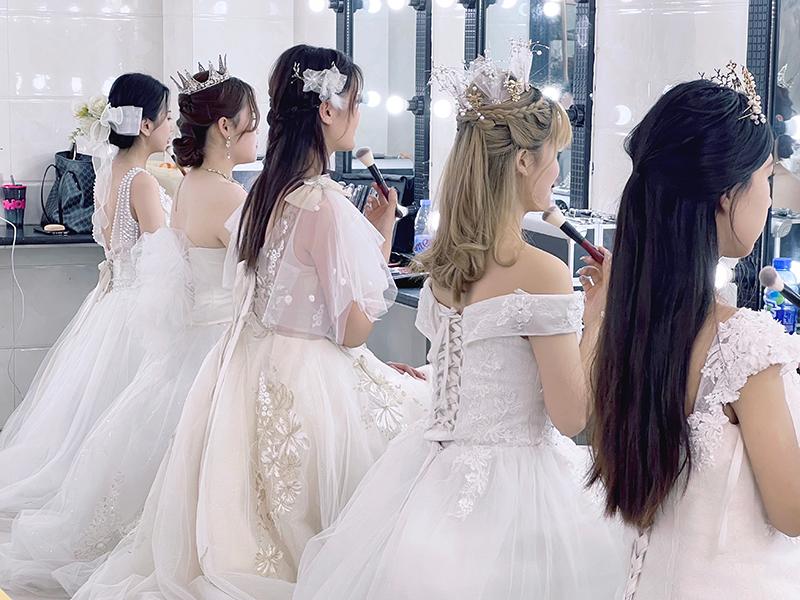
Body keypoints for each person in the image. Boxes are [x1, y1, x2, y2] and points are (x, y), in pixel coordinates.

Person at [72, 44, 428, 600]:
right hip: (306, 374)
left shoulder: (263, 192)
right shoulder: (322, 203)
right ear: (327, 111)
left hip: (247, 361)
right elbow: (352, 331)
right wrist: (380, 236)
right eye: (356, 103)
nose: (359, 114)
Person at [294, 41, 629, 600]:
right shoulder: (542, 272)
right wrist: (598, 319)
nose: (557, 171)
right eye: (554, 155)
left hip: (431, 476)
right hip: (517, 494)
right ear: (522, 161)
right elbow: (571, 415)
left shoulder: (445, 266)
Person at [589, 69, 800, 599]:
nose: (770, 200)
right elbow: (792, 511)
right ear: (727, 195)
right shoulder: (743, 346)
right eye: (766, 179)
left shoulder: (632, 325)